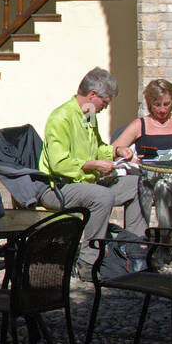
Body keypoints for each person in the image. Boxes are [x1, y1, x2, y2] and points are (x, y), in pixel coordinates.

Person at [38, 67, 148, 280]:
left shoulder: (88, 113)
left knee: (140, 184)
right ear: (92, 95)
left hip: (89, 182)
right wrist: (94, 165)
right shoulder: (60, 118)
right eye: (105, 103)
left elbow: (97, 147)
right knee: (102, 196)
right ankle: (88, 261)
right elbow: (60, 163)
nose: (104, 108)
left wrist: (116, 152)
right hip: (59, 186)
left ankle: (133, 250)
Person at [112, 78, 172, 230]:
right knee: (163, 185)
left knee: (165, 186)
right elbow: (113, 149)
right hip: (152, 175)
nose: (162, 110)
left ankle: (164, 238)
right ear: (149, 103)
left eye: (166, 104)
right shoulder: (140, 125)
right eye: (157, 105)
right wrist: (132, 158)